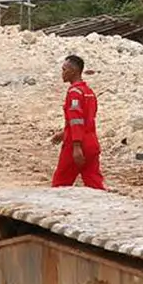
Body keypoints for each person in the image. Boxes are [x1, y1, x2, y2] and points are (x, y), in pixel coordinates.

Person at [50, 54, 104, 189]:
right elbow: (86, 120)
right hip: (92, 143)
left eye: (64, 70)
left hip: (76, 144)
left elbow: (77, 121)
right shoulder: (89, 92)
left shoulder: (74, 93)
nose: (62, 73)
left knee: (59, 185)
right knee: (94, 184)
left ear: (73, 71)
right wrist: (63, 133)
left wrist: (76, 146)